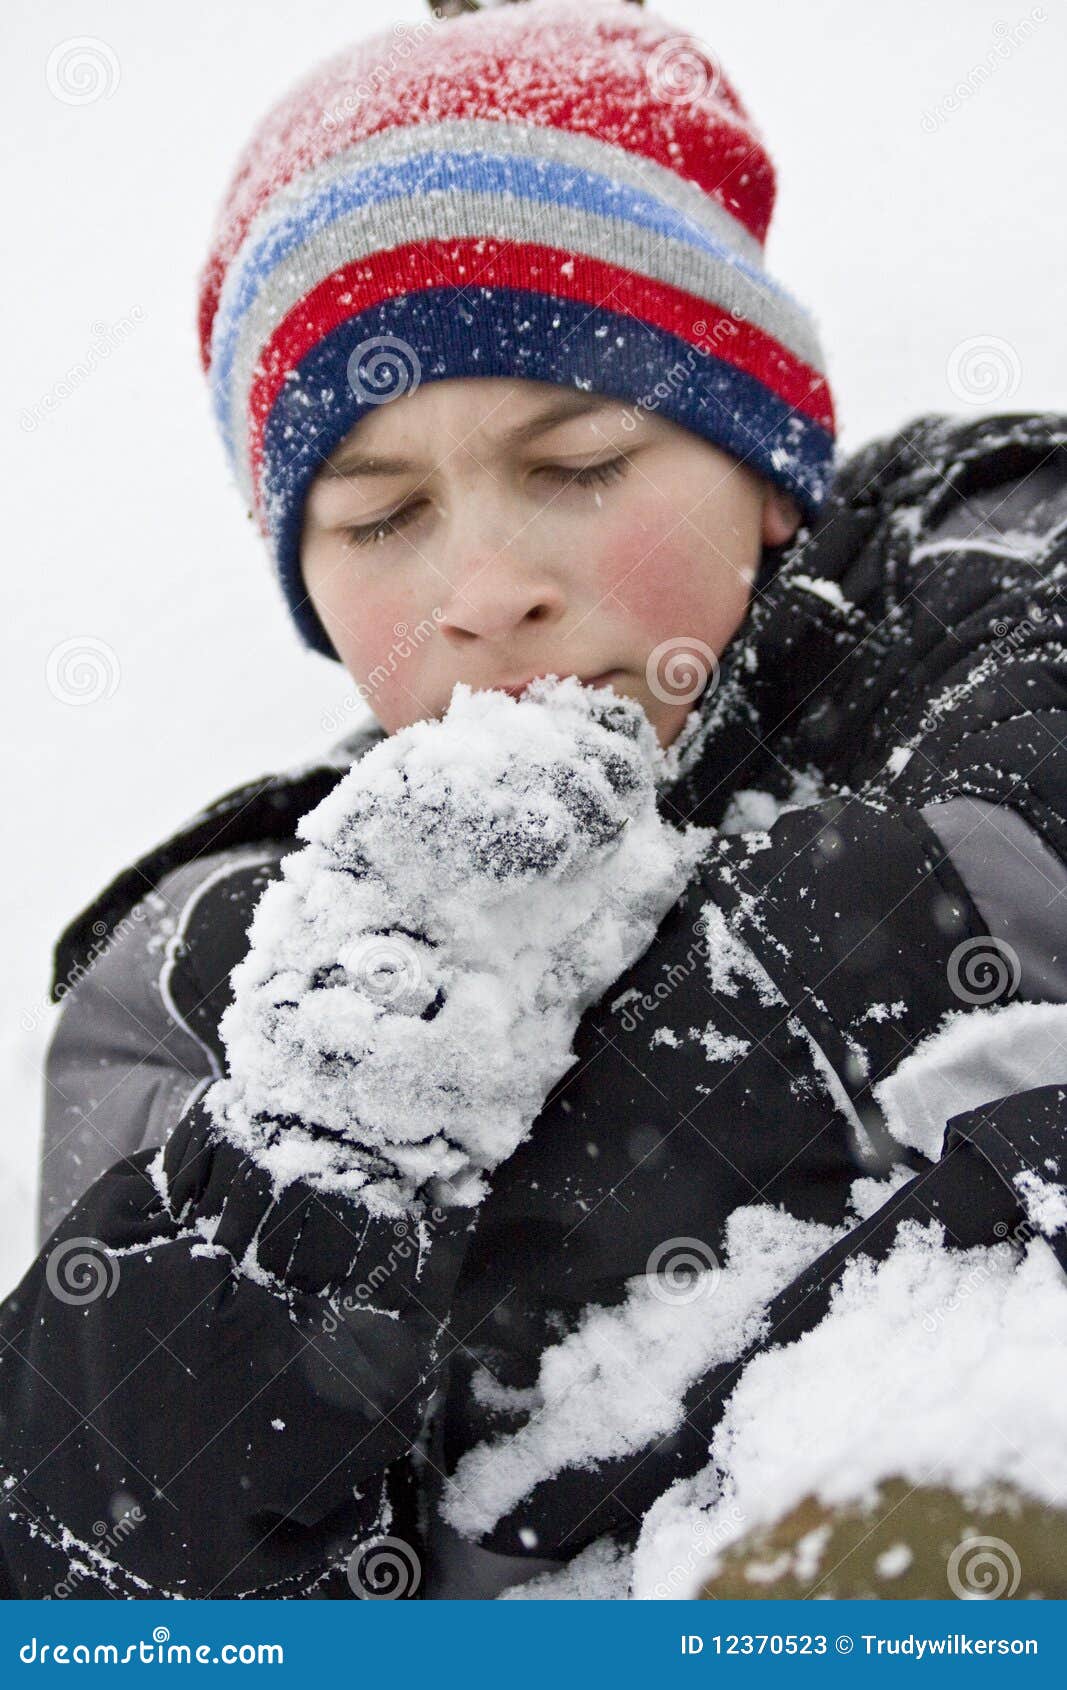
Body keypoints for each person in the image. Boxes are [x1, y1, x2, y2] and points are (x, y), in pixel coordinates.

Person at [4, 0, 1067, 1600]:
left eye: (575, 464)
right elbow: (97, 1606)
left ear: (768, 468)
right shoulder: (206, 974)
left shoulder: (997, 582)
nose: (485, 588)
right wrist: (306, 1179)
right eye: (381, 517)